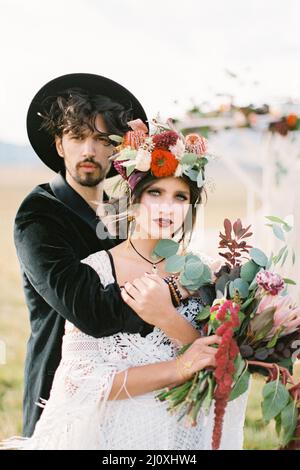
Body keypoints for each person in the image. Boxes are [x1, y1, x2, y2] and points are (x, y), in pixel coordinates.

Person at [3, 119, 249, 449]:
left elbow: (223, 368)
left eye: (180, 197)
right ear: (133, 200)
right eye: (155, 193)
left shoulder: (208, 273)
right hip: (117, 436)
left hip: (184, 436)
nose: (166, 206)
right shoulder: (98, 271)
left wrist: (168, 318)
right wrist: (177, 368)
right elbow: (82, 383)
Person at [13, 73, 170, 437]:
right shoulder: (38, 216)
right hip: (61, 391)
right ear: (59, 144)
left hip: (126, 390)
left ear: (117, 150)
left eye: (102, 140)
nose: (89, 151)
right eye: (78, 137)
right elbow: (92, 312)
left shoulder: (123, 210)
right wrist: (169, 296)